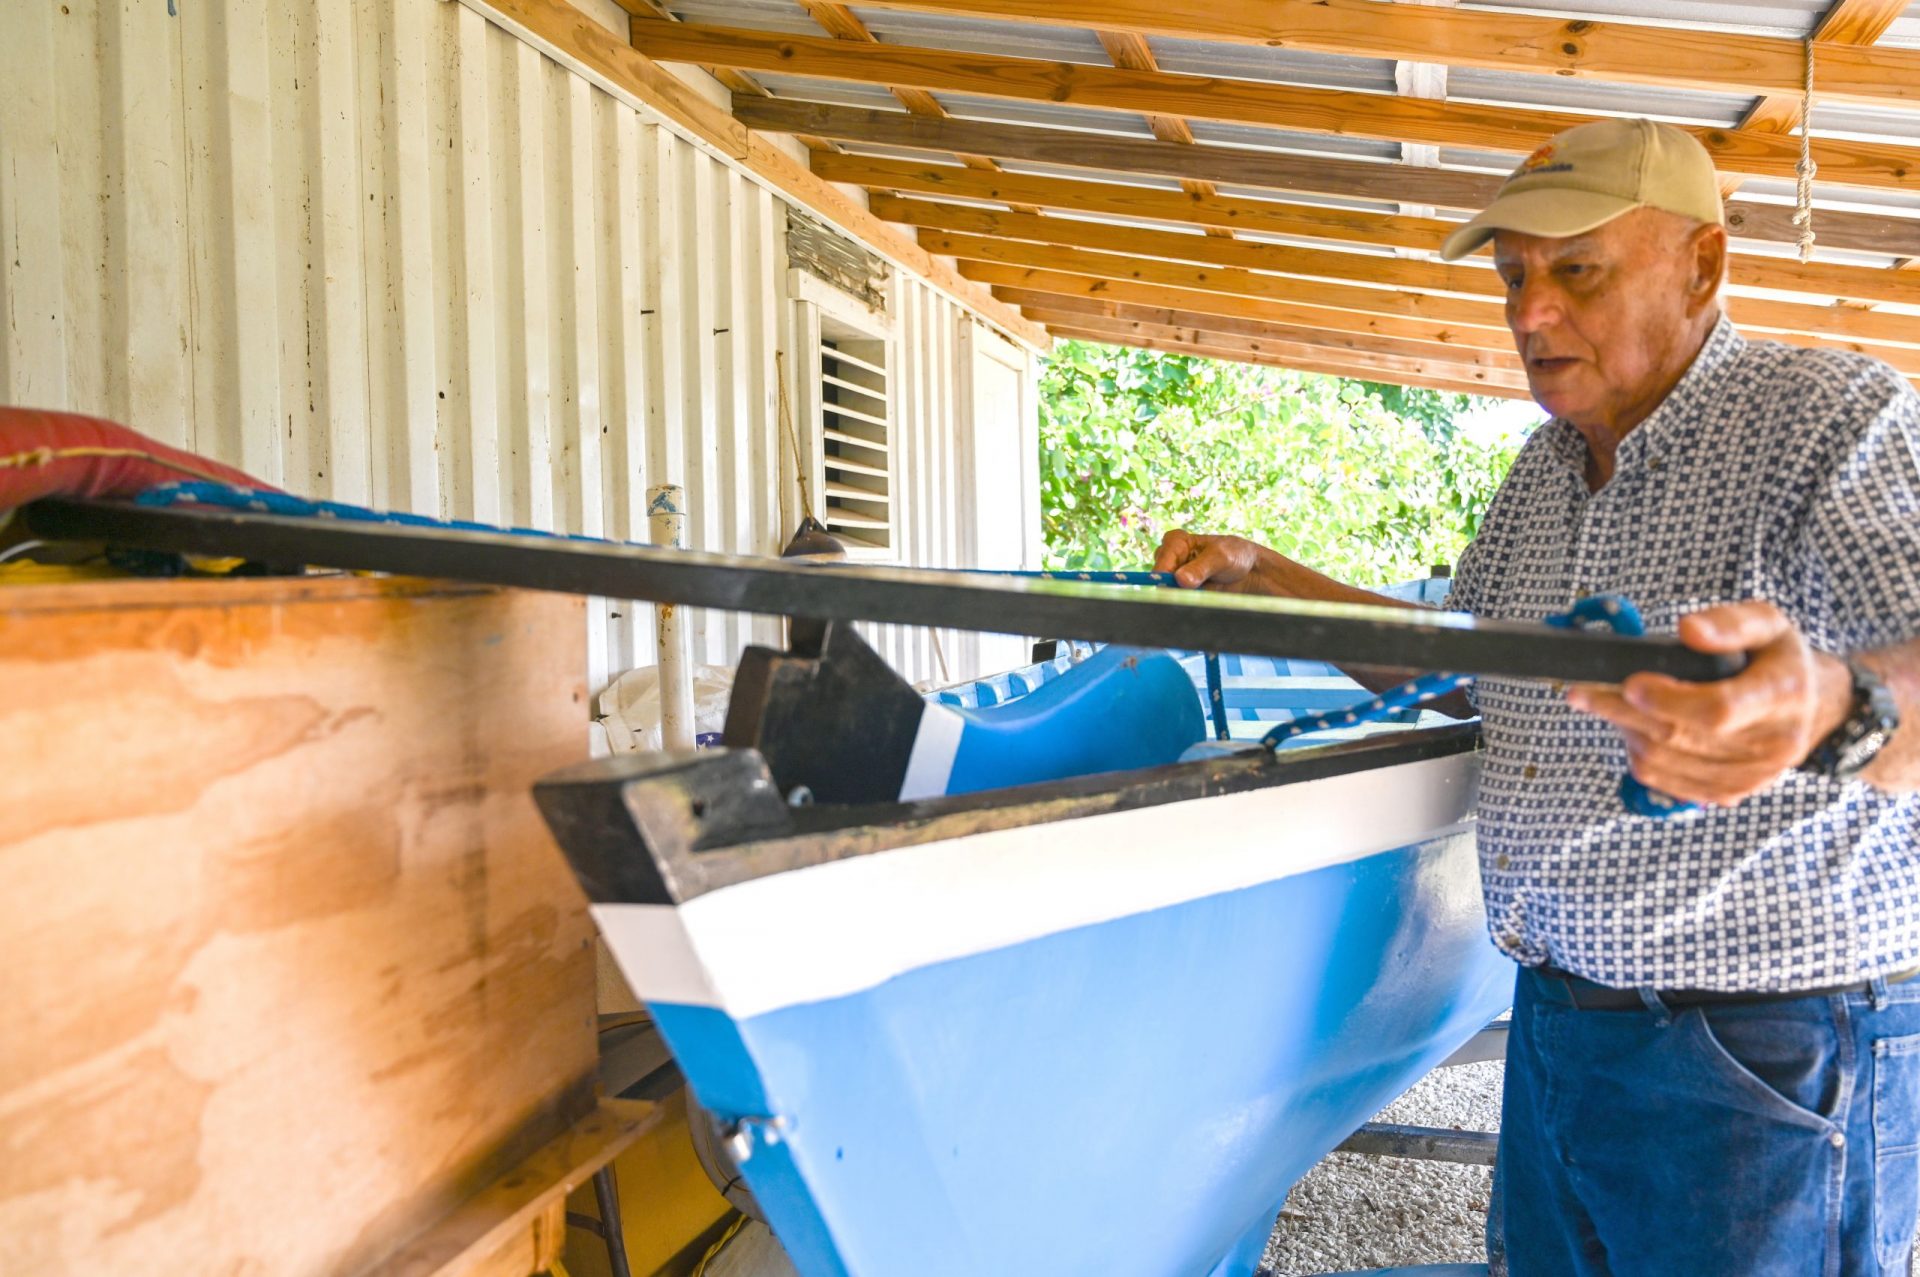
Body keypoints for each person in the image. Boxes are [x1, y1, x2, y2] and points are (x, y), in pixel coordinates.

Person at [1156, 117, 1920, 1275]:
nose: (1526, 313)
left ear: (1702, 265)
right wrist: (1264, 577)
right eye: (1513, 275)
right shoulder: (1543, 474)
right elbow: (1455, 662)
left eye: (1575, 269)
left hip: (1762, 1051)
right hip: (1559, 1026)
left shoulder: (1829, 419)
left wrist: (1826, 705)